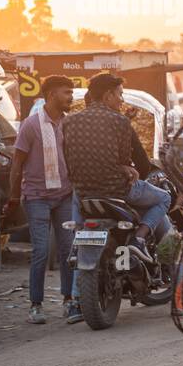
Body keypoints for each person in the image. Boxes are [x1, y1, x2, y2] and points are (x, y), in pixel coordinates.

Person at [62, 72, 171, 262]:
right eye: (119, 94)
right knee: (164, 198)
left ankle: (76, 250)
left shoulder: (69, 121)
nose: (122, 100)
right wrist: (124, 168)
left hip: (82, 192)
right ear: (107, 96)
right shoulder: (120, 121)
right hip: (117, 191)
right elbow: (124, 160)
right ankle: (138, 239)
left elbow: (67, 157)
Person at [6, 76, 81, 325]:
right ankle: (35, 305)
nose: (70, 97)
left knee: (68, 250)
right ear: (51, 95)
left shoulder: (69, 124)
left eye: (71, 92)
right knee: (39, 251)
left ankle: (69, 301)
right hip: (37, 197)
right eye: (66, 92)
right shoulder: (31, 125)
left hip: (64, 195)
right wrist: (14, 197)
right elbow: (17, 165)